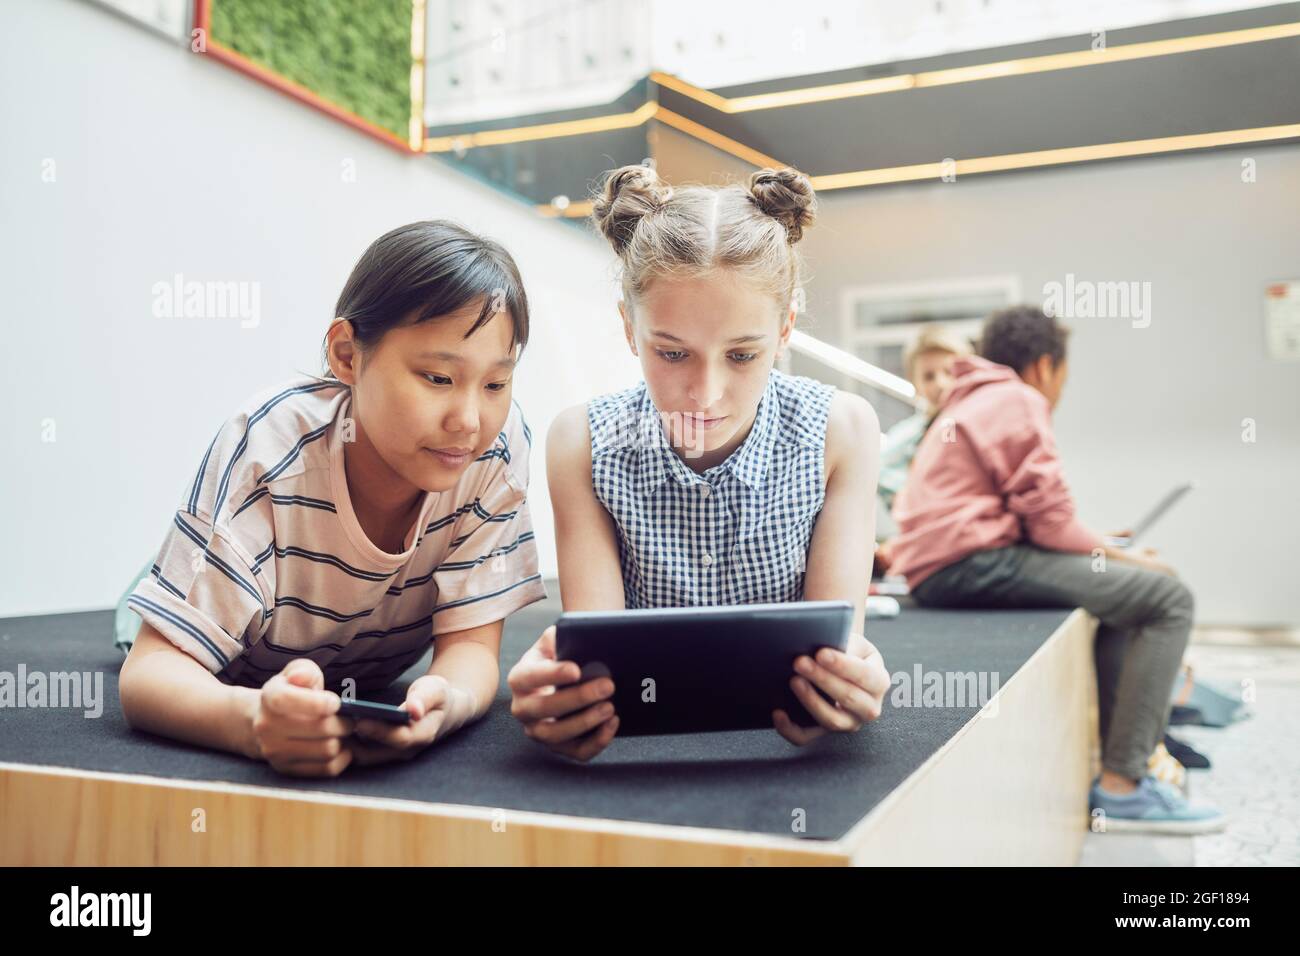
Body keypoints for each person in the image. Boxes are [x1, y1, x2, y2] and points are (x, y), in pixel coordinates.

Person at [117, 221, 547, 777]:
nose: (468, 421)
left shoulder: (496, 450)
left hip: (354, 663)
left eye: (494, 385)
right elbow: (151, 672)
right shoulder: (268, 451)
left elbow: (470, 649)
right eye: (438, 378)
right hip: (232, 637)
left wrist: (446, 704)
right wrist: (254, 722)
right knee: (160, 608)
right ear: (347, 355)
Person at [507, 164, 891, 762]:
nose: (705, 392)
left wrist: (847, 684)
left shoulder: (841, 432)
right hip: (636, 764)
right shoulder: (581, 443)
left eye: (742, 354)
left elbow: (837, 652)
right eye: (672, 352)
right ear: (629, 330)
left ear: (785, 328)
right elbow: (600, 671)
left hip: (785, 765)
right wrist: (568, 695)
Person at [887, 305, 1225, 834]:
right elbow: (1050, 527)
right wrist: (1127, 555)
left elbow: (1035, 517)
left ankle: (1120, 765)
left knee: (1126, 601)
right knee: (1168, 596)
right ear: (1045, 366)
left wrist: (1102, 550)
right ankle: (1124, 787)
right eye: (1063, 376)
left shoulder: (972, 399)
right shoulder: (1018, 398)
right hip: (971, 564)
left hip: (943, 566)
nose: (1060, 389)